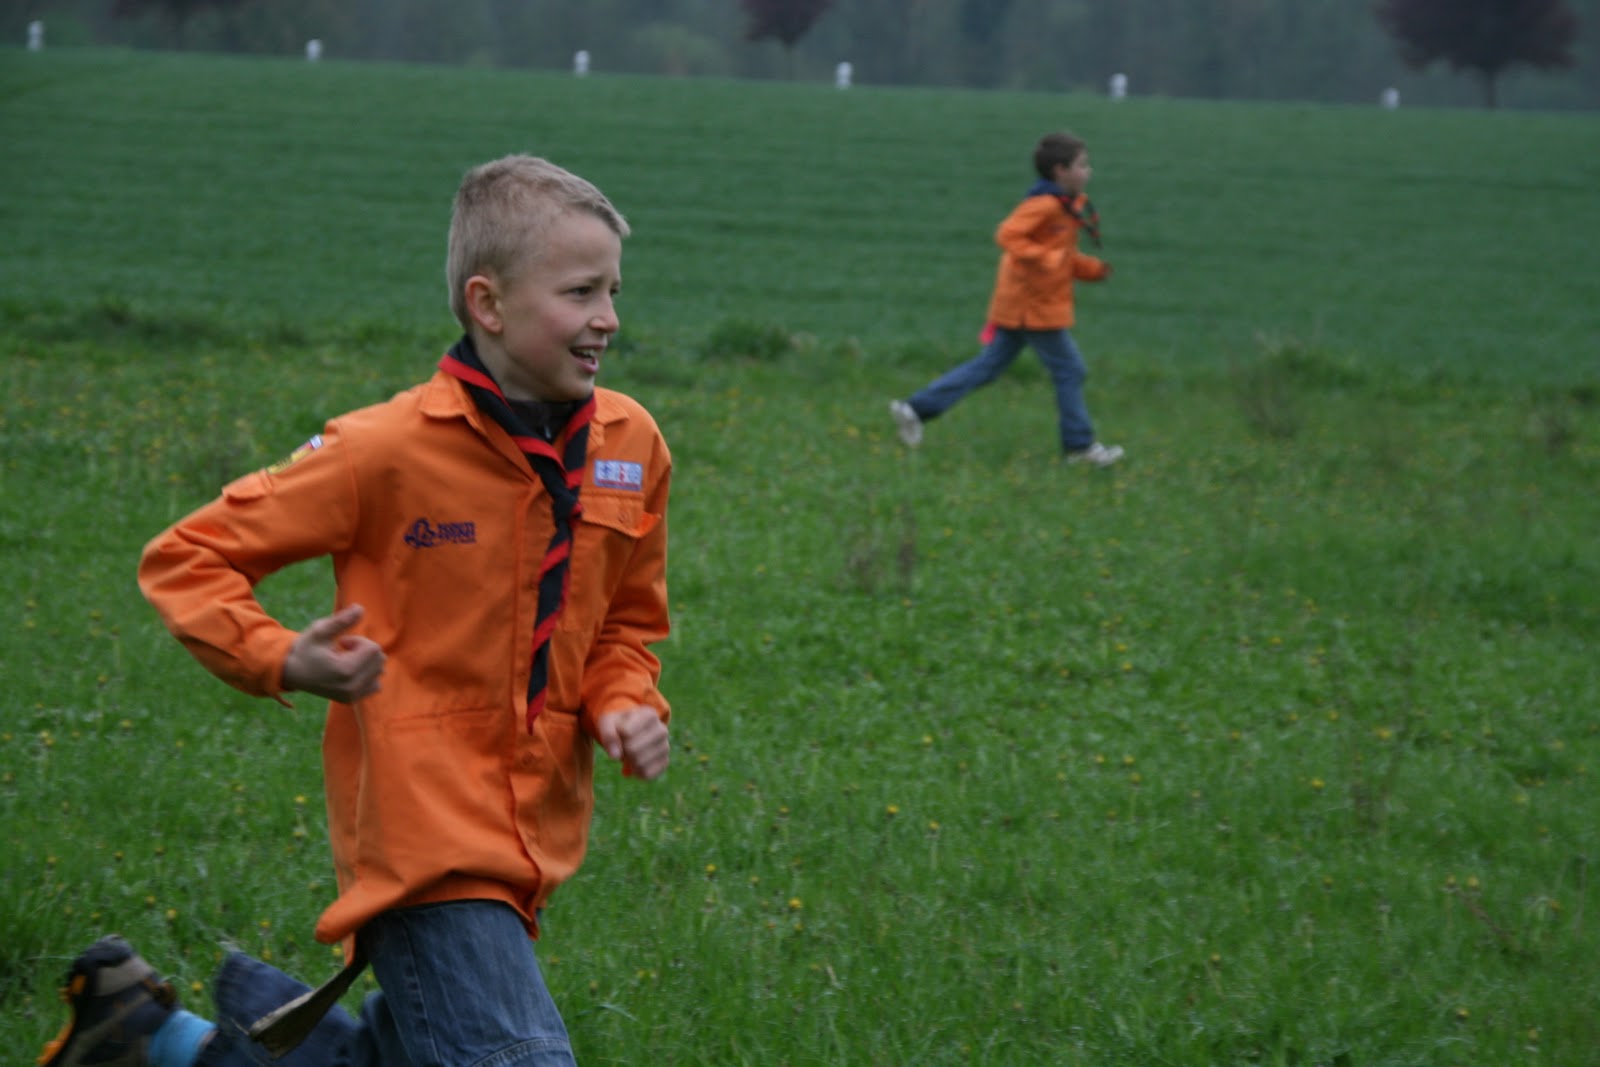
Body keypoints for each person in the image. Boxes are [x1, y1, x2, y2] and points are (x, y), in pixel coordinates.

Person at [38, 154, 673, 1067]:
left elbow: (625, 624)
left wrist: (625, 703)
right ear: (488, 305)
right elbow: (188, 556)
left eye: (613, 289)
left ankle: (147, 1038)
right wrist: (284, 654)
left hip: (533, 834)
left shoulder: (632, 443)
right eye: (579, 292)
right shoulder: (381, 450)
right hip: (423, 843)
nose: (607, 317)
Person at [889, 131, 1124, 466]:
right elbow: (1008, 234)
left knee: (988, 367)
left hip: (1022, 306)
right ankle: (1079, 447)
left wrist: (1091, 270)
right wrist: (1046, 258)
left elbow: (1062, 257)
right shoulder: (1043, 206)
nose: (1088, 172)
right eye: (1082, 165)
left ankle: (915, 409)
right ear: (1060, 171)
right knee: (1070, 370)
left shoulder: (1064, 209)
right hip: (1033, 309)